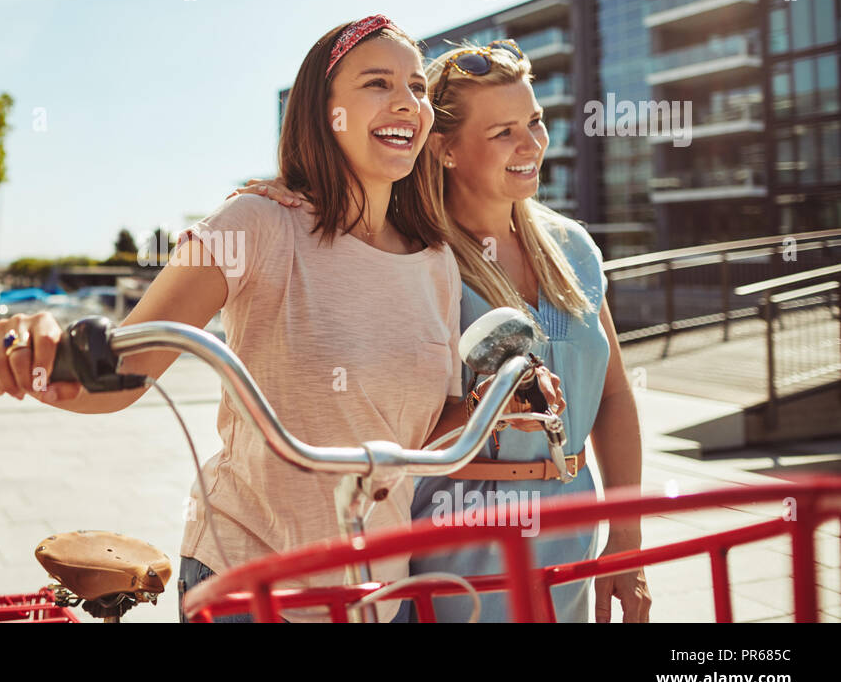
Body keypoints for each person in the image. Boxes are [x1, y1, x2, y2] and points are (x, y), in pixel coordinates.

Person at [0, 16, 563, 623]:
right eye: (377, 83)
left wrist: (494, 402)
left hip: (374, 590)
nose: (406, 102)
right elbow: (122, 371)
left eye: (415, 87)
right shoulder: (256, 221)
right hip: (247, 579)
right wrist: (37, 352)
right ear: (323, 112)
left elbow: (421, 431)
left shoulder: (433, 259)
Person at [228, 39, 650, 622]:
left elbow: (613, 395)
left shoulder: (572, 247)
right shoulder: (413, 257)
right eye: (503, 132)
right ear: (445, 150)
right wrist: (290, 200)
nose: (532, 145)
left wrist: (626, 542)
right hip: (455, 542)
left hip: (569, 530)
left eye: (535, 121)